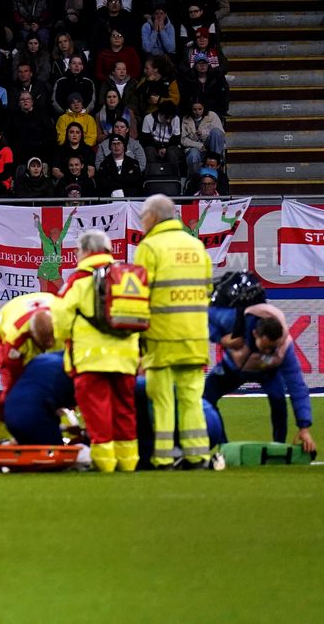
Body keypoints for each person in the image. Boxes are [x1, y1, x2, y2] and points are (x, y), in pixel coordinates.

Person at [50, 230, 141, 472]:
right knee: (125, 412)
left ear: (86, 251)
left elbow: (60, 320)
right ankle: (129, 462)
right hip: (127, 358)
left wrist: (65, 339)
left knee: (97, 412)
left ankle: (105, 463)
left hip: (91, 359)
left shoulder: (77, 281)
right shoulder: (128, 277)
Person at [136, 194, 212, 468]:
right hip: (195, 337)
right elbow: (207, 290)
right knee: (192, 398)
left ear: (154, 217)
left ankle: (164, 458)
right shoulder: (197, 246)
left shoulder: (149, 247)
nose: (142, 222)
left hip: (161, 337)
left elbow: (138, 296)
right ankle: (198, 456)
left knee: (163, 400)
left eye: (143, 217)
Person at [205, 281, 314, 452]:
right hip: (234, 369)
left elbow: (297, 386)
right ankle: (224, 447)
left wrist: (304, 427)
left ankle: (279, 447)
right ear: (255, 334)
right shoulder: (233, 320)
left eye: (273, 347)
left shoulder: (285, 346)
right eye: (265, 347)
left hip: (267, 373)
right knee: (207, 396)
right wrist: (219, 338)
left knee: (278, 400)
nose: (269, 351)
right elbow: (208, 314)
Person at [0, 292, 56, 442]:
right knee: (12, 390)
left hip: (50, 314)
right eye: (43, 342)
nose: (47, 346)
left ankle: (66, 433)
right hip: (10, 315)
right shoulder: (14, 340)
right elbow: (14, 377)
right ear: (32, 334)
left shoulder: (66, 320)